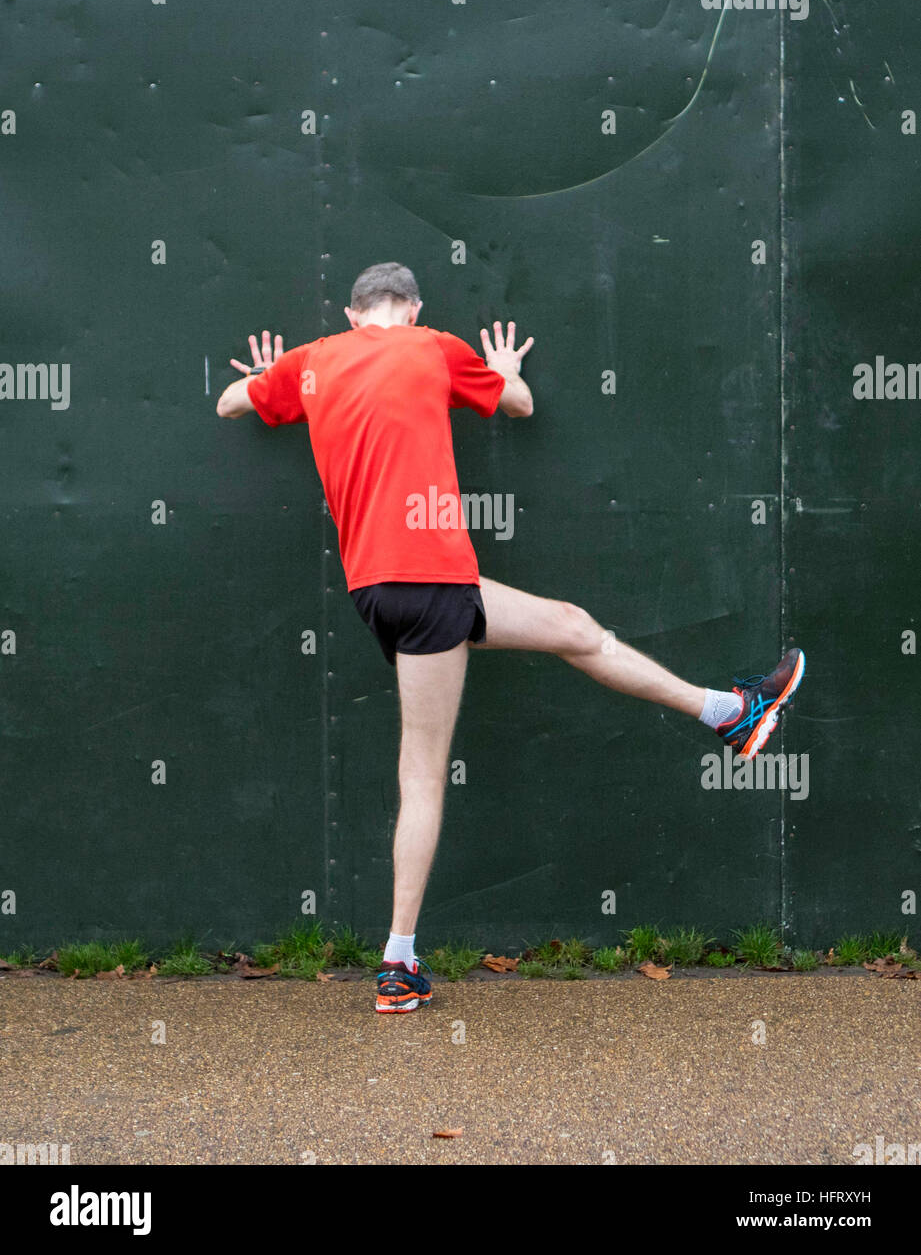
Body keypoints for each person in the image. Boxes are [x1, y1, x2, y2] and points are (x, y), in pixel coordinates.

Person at [216, 261, 805, 1014]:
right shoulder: (432, 347)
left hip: (386, 589)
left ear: (351, 311)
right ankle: (397, 963)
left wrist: (272, 380)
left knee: (574, 629)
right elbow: (519, 403)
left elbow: (233, 400)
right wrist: (499, 369)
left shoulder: (312, 361)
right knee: (422, 776)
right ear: (414, 306)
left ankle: (730, 714)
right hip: (429, 580)